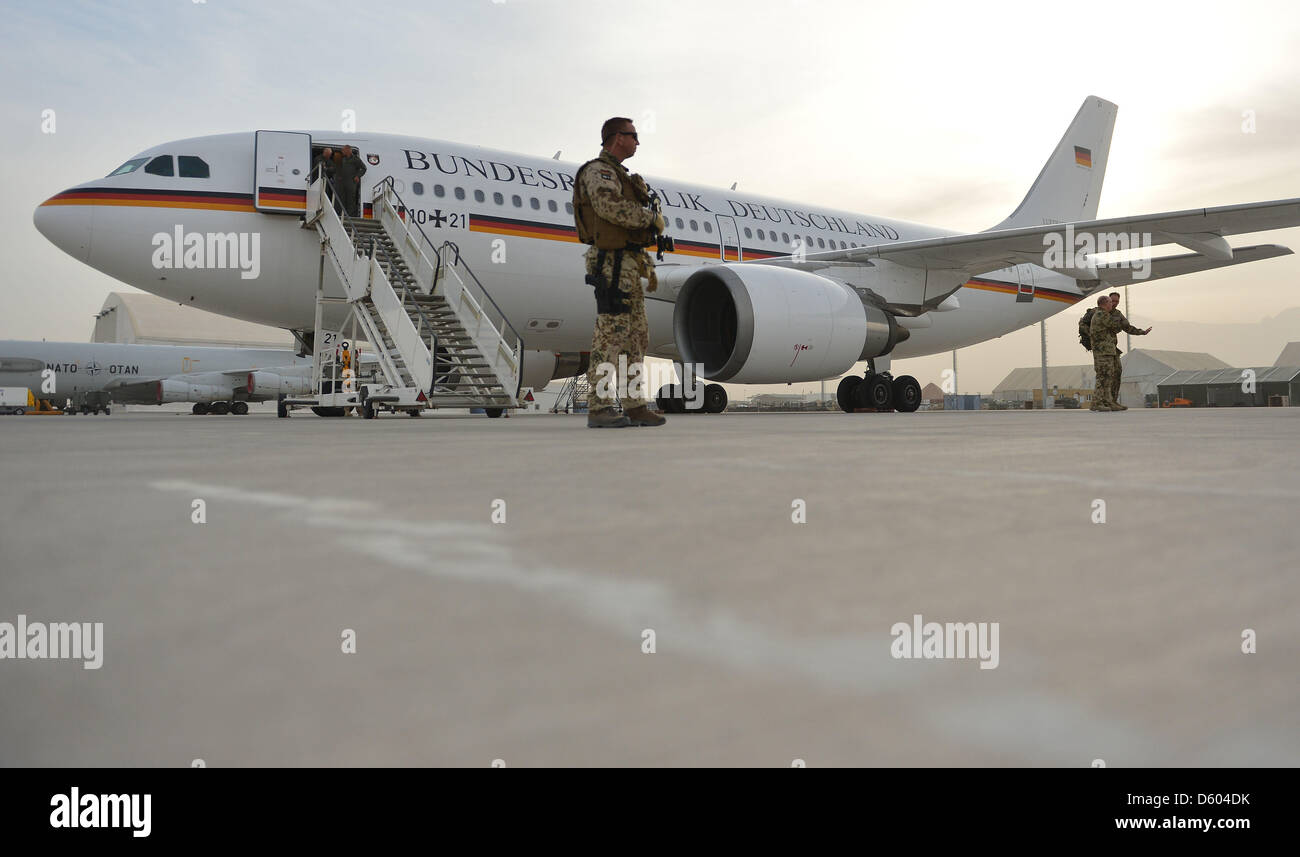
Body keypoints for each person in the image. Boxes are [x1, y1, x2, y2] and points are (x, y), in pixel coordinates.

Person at [573, 117, 667, 428]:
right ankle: (599, 408)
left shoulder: (622, 175)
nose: (638, 142)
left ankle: (635, 404)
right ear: (617, 138)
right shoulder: (599, 171)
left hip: (629, 263)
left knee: (636, 338)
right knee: (610, 336)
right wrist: (649, 218)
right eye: (633, 136)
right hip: (611, 263)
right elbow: (609, 207)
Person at [1089, 295, 1151, 410]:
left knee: (1110, 376)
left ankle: (1109, 401)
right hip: (1103, 351)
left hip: (1108, 350)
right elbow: (1117, 327)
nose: (1112, 304)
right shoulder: (1101, 314)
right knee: (1103, 377)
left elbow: (1124, 326)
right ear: (1105, 303)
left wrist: (1141, 332)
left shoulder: (1107, 314)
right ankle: (1097, 403)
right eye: (1111, 302)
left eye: (1115, 302)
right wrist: (1117, 325)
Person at [335, 145, 367, 217]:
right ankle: (341, 214)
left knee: (351, 200)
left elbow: (364, 168)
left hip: (351, 182)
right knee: (342, 199)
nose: (342, 152)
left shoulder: (356, 159)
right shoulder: (343, 159)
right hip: (342, 183)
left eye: (343, 150)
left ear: (348, 150)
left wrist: (358, 176)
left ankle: (350, 216)